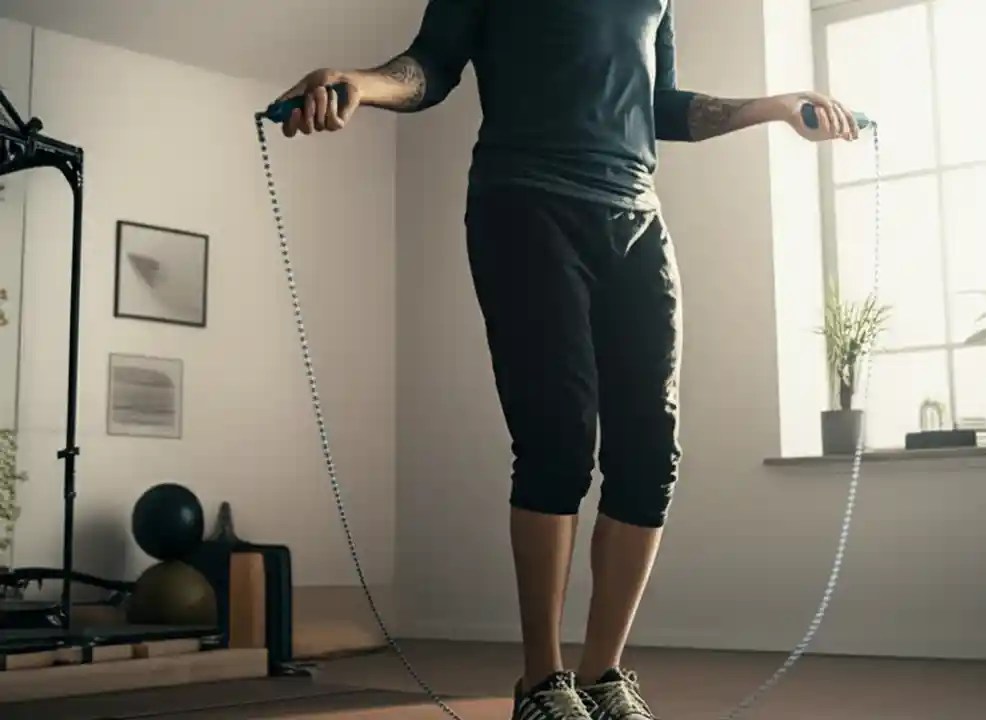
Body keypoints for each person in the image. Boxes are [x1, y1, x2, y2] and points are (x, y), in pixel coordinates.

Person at [276, 2, 861, 718]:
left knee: (650, 453)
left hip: (636, 218)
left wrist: (774, 108)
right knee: (557, 441)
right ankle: (541, 682)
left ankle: (603, 675)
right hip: (525, 207)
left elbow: (659, 107)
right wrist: (360, 85)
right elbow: (429, 67)